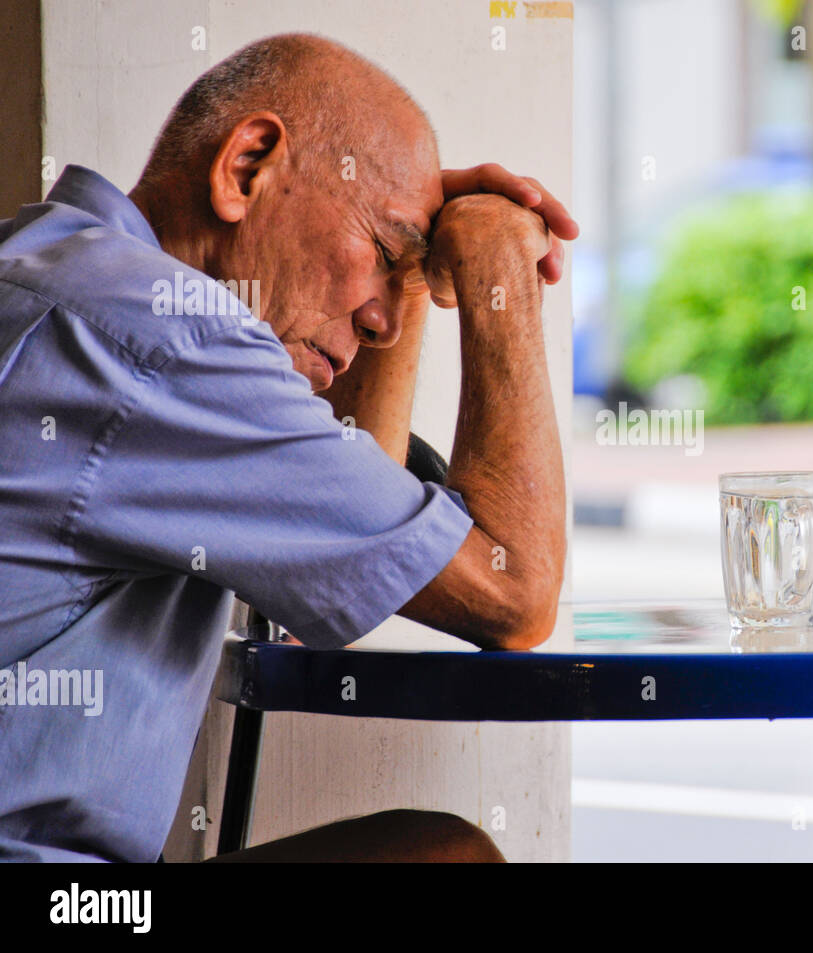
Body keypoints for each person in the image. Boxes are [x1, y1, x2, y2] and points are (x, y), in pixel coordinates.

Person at [0, 33, 575, 862]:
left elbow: (352, 494)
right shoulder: (171, 342)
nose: (381, 320)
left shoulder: (53, 267)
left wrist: (410, 261)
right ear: (247, 167)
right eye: (380, 253)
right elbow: (515, 593)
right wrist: (495, 261)